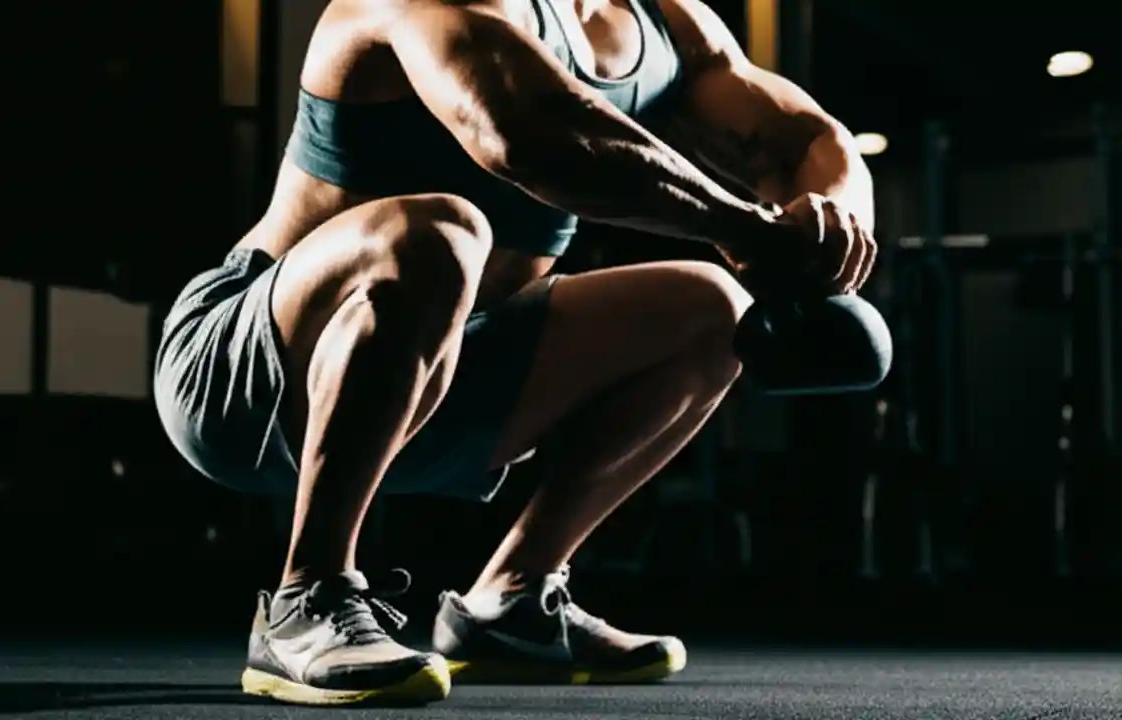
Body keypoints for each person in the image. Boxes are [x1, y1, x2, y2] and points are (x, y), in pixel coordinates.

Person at [153, 0, 876, 707]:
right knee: (439, 230)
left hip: (445, 377)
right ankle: (306, 594)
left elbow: (802, 139)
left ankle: (511, 605)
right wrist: (743, 226)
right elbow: (527, 132)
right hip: (248, 377)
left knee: (713, 309)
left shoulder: (666, 25)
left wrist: (831, 229)